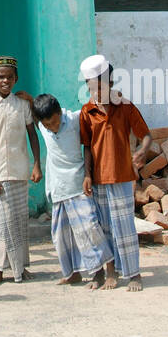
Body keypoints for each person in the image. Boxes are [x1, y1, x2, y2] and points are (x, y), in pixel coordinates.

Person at [79, 54, 152, 292]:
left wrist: (143, 150)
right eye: (91, 88)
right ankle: (110, 272)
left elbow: (146, 135)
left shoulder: (126, 107)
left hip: (121, 176)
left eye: (100, 87)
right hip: (98, 178)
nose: (96, 93)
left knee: (125, 228)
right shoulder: (87, 111)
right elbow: (87, 146)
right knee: (104, 228)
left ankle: (133, 274)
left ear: (110, 83)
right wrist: (87, 174)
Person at [31, 92, 114, 291]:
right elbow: (36, 118)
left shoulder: (76, 119)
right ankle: (72, 273)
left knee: (90, 229)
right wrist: (28, 99)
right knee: (62, 235)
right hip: (58, 188)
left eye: (54, 122)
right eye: (47, 124)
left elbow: (88, 144)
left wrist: (88, 174)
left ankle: (104, 271)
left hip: (78, 184)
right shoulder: (43, 126)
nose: (52, 127)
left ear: (59, 112)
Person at [0, 55, 41, 286]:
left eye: (10, 77)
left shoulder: (22, 105)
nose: (5, 81)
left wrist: (36, 164)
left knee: (18, 221)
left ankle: (20, 267)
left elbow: (32, 134)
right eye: (1, 77)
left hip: (19, 171)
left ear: (16, 79)